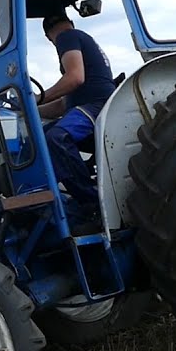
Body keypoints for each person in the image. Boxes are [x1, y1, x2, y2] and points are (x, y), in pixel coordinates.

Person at [37, 11, 115, 223]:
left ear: (48, 37)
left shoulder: (67, 37)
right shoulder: (81, 40)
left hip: (98, 107)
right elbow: (64, 104)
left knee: (56, 137)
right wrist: (31, 109)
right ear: (69, 21)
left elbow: (75, 78)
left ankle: (92, 203)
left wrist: (38, 97)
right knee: (36, 140)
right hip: (86, 107)